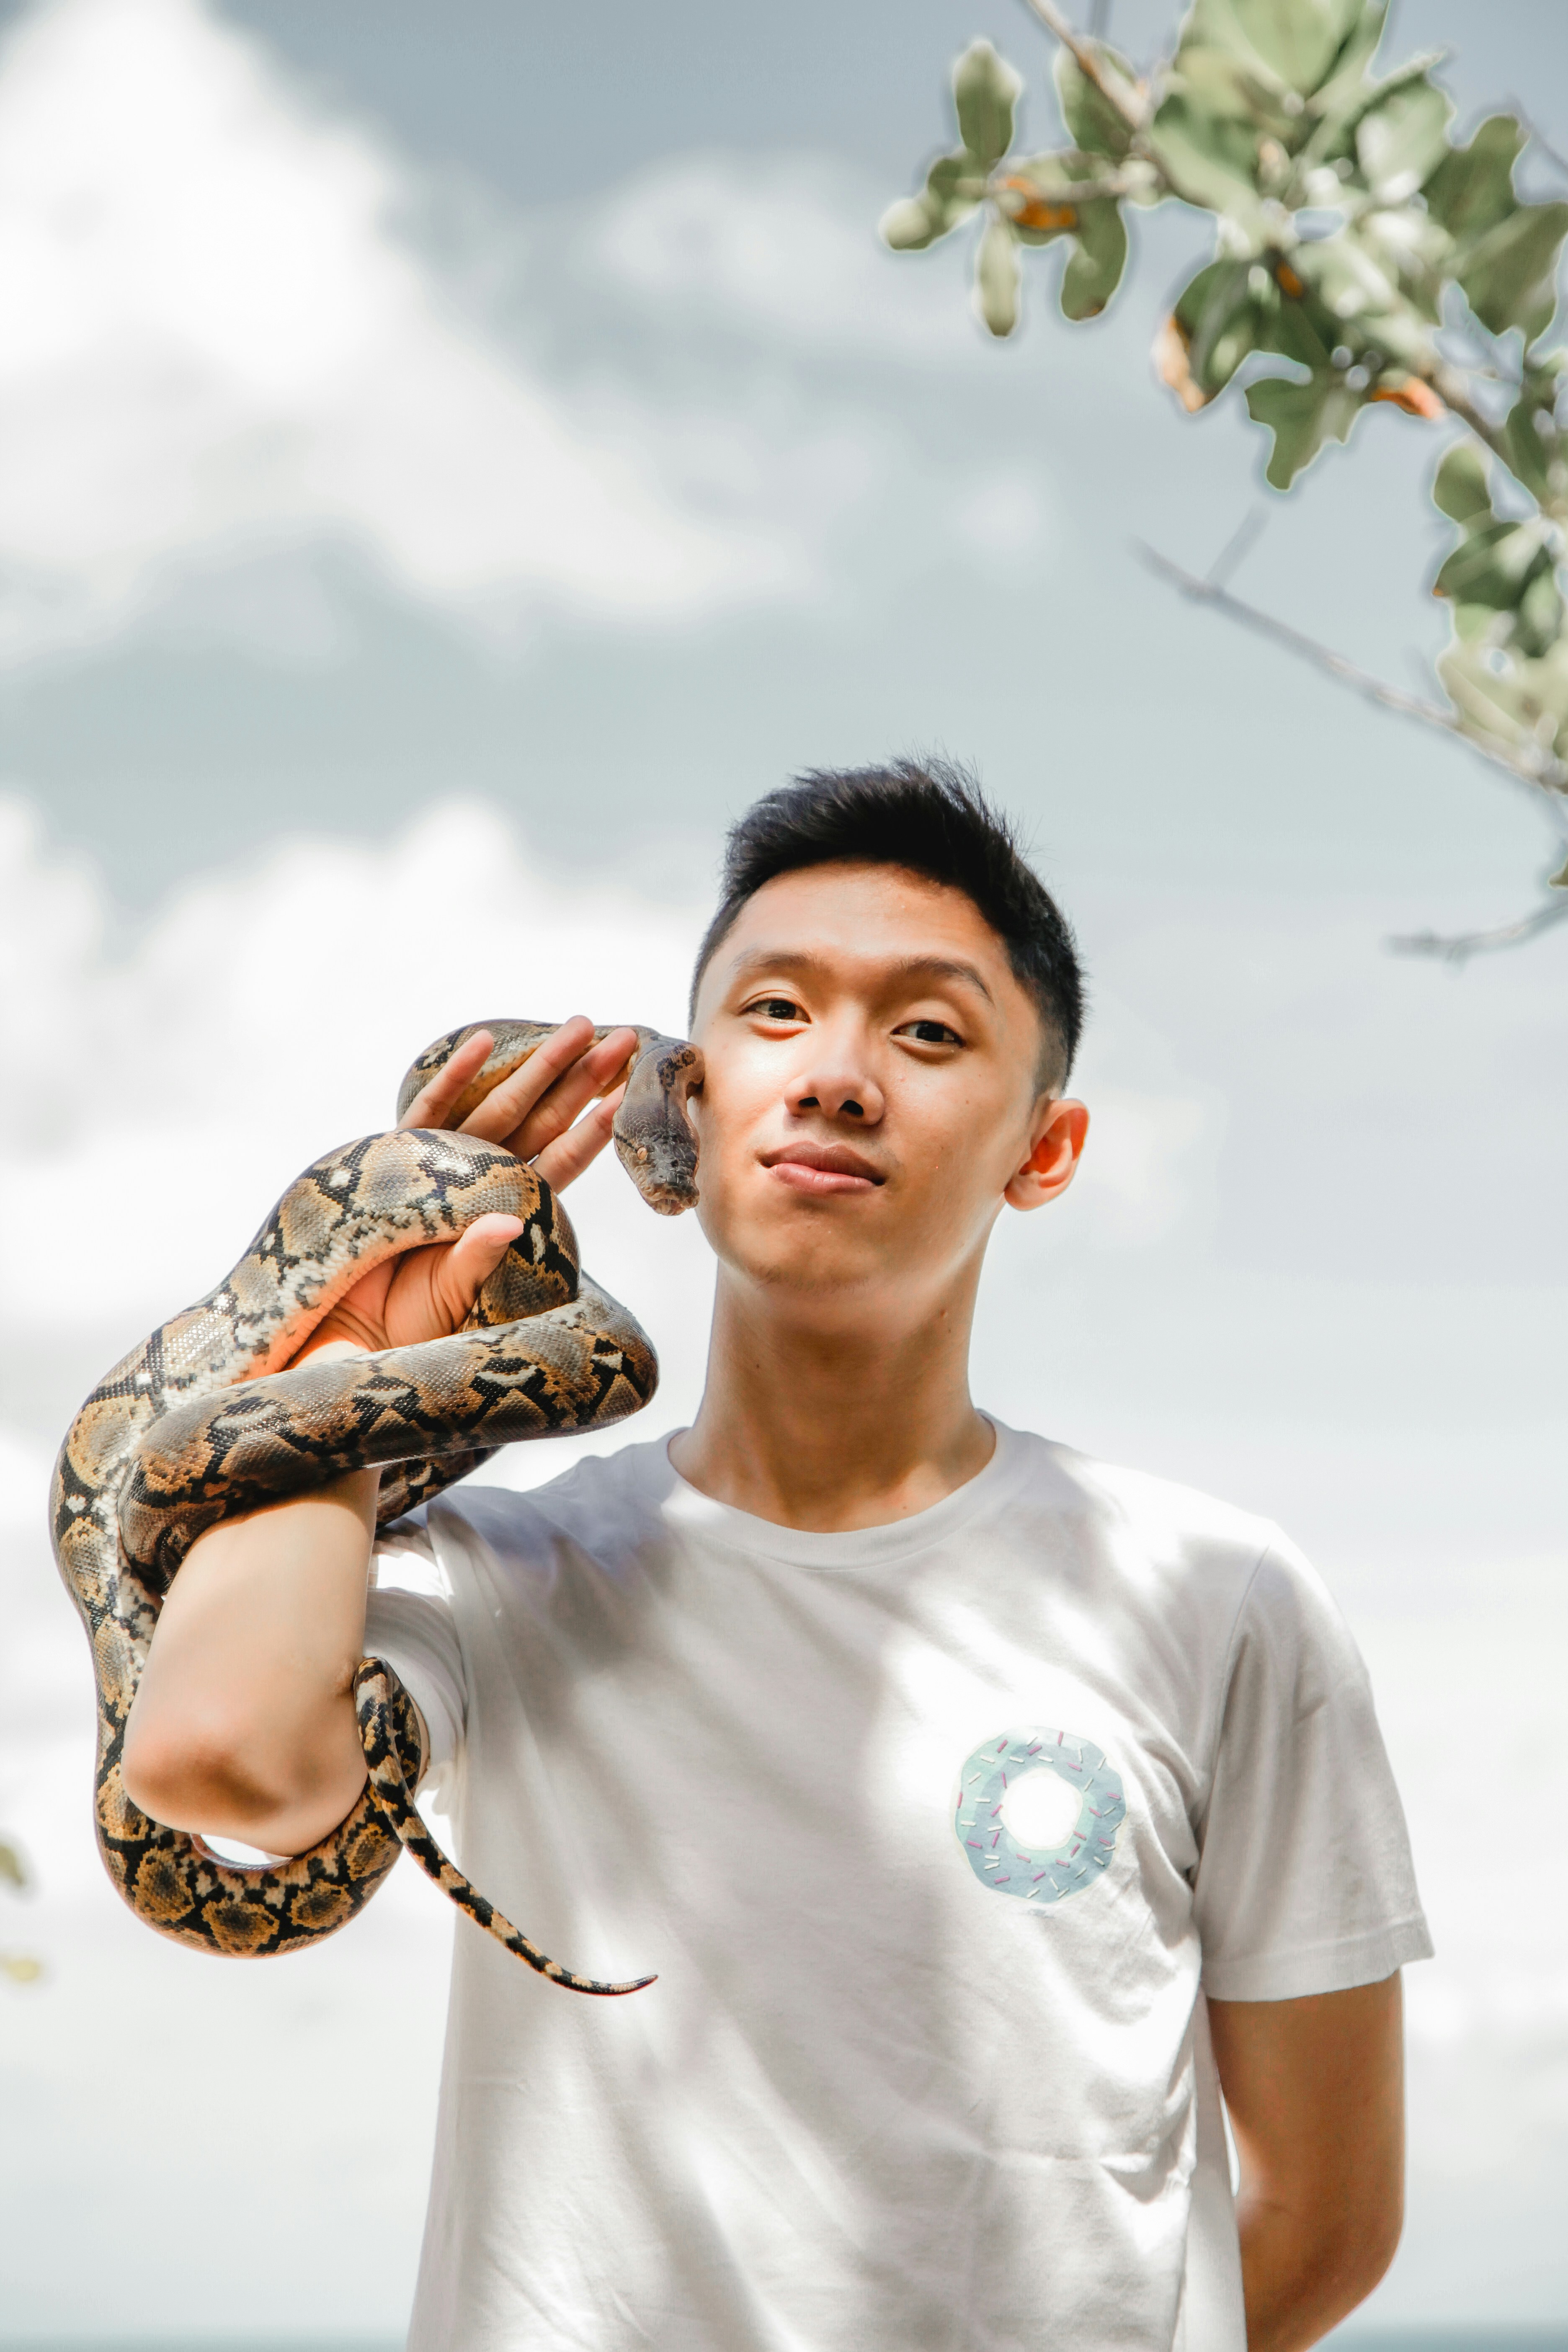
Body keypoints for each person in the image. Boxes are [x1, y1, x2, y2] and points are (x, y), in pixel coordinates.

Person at [122, 761, 1431, 2352]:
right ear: (681, 1100)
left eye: (930, 1031)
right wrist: (363, 1336)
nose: (837, 1076)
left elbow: (1329, 2220)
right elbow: (216, 1767)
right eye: (775, 1014)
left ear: (1048, 1146)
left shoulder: (1216, 1596)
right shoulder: (499, 1565)